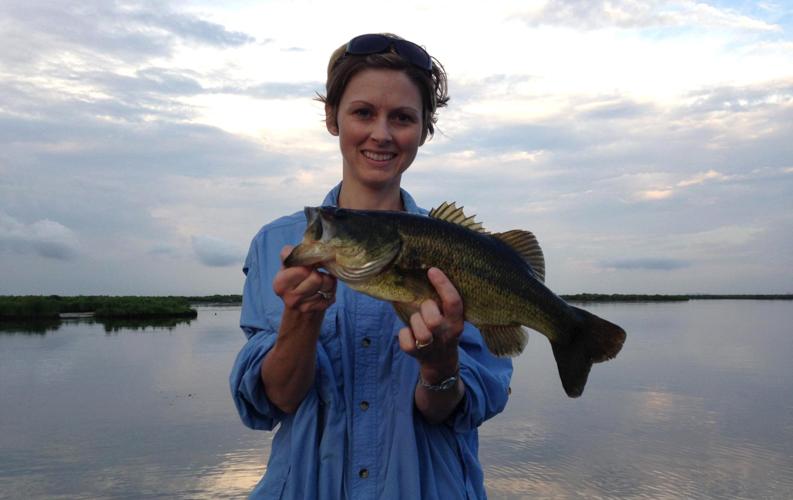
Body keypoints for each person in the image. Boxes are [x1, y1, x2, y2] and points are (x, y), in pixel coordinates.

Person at [230, 33, 513, 499]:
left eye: (402, 118)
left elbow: (453, 408)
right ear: (332, 118)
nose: (381, 133)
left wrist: (439, 365)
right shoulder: (276, 245)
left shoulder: (467, 252)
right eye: (363, 112)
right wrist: (300, 321)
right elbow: (276, 401)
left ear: (424, 130)